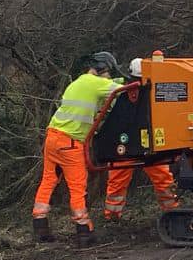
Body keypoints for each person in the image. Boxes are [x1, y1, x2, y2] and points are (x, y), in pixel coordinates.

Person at [33, 52, 122, 242]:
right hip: (70, 143)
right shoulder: (96, 83)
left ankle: (39, 226)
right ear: (102, 70)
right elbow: (123, 89)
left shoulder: (76, 83)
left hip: (52, 138)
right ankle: (83, 230)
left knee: (49, 180)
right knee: (77, 186)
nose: (109, 78)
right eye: (108, 73)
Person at [103, 58, 181, 225]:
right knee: (118, 179)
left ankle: (173, 213)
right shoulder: (120, 90)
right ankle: (112, 217)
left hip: (150, 144)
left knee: (163, 179)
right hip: (128, 143)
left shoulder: (157, 91)